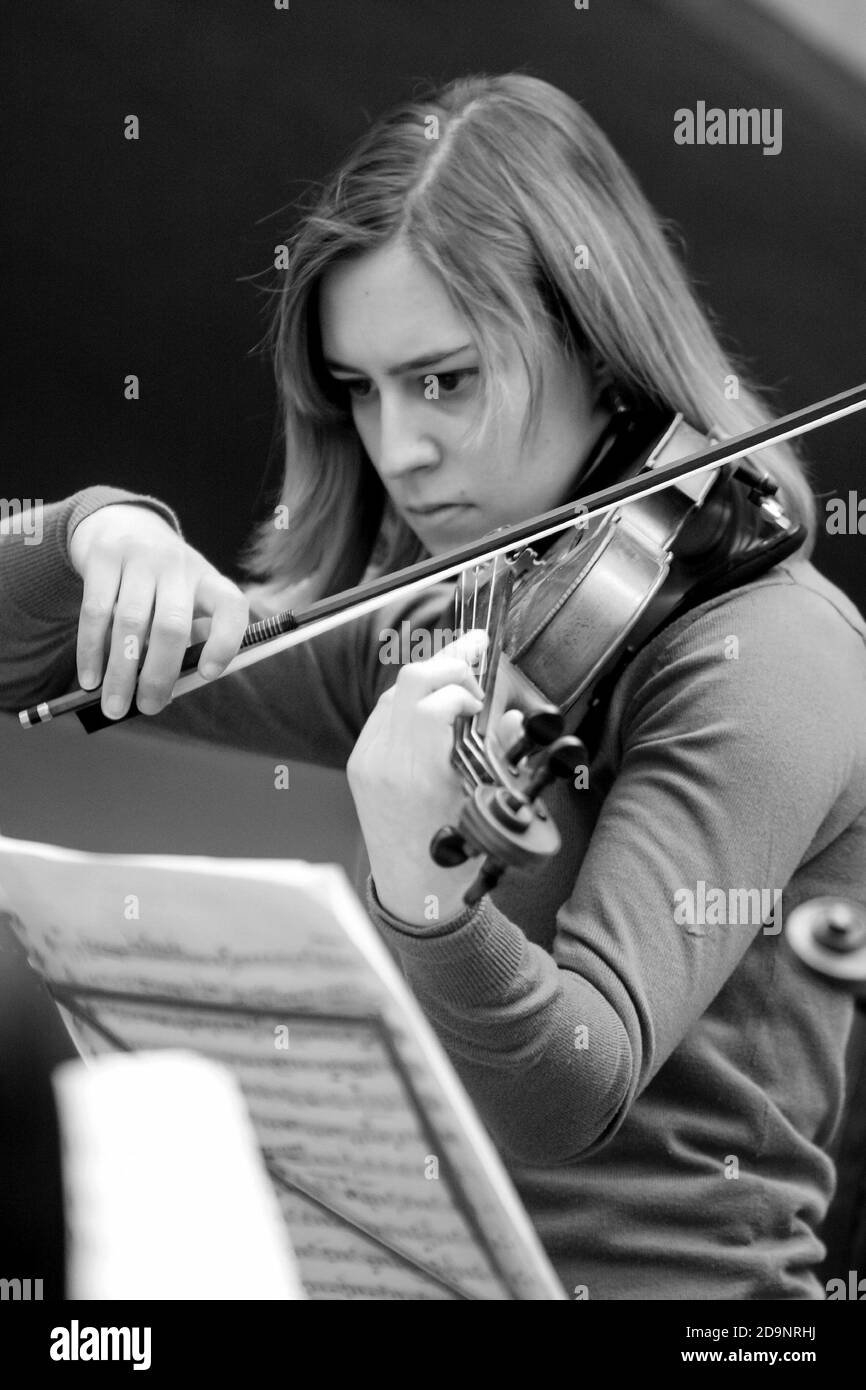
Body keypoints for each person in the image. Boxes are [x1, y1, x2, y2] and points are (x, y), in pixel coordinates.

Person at [3, 72, 865, 1301]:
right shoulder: (443, 617)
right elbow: (23, 661)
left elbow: (571, 1083)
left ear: (591, 338)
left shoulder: (773, 655)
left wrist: (428, 898)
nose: (397, 447)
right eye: (359, 388)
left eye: (443, 378)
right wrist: (93, 535)